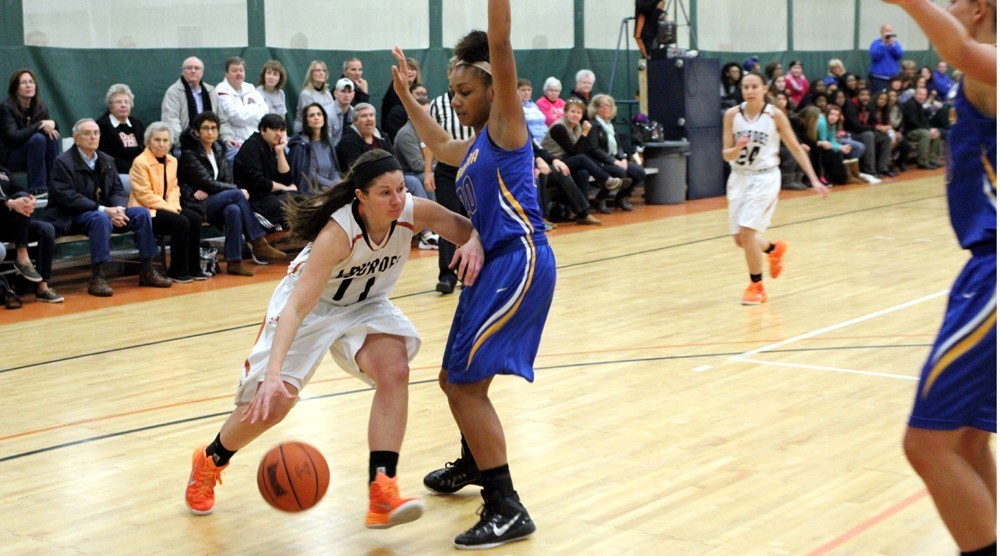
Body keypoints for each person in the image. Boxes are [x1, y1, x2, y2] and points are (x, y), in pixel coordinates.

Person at [183, 149, 485, 531]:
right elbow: (295, 309)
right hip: (311, 306)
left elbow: (469, 227)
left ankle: (382, 489)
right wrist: (273, 373)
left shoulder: (412, 209)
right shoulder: (338, 234)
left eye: (399, 190)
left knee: (395, 371)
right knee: (274, 402)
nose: (397, 200)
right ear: (360, 196)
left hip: (366, 304)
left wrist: (473, 240)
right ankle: (210, 461)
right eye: (385, 193)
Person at [390, 0, 557, 547]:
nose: (456, 101)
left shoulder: (508, 128)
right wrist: (407, 100)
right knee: (453, 380)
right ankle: (473, 463)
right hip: (492, 268)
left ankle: (506, 506)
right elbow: (436, 145)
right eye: (453, 93)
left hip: (519, 259)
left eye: (465, 92)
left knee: (464, 385)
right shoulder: (476, 144)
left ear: (492, 88)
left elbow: (501, 44)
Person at [886, 4, 996, 553]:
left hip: (997, 273)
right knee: (969, 441)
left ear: (977, 9)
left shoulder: (988, 72)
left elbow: (962, 51)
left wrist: (910, 2)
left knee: (927, 445)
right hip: (984, 265)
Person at [721, 72, 828, 305]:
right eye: (745, 87)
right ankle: (773, 249)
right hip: (739, 178)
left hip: (765, 178)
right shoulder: (731, 115)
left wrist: (815, 179)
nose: (749, 91)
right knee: (740, 239)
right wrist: (737, 149)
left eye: (753, 86)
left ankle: (757, 286)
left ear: (764, 89)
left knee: (748, 232)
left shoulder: (775, 115)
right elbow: (725, 153)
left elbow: (796, 148)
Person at [45, 118, 172, 297]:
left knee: (142, 213)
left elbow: (117, 191)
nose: (93, 137)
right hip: (72, 216)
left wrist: (119, 209)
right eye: (87, 133)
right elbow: (68, 197)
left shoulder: (106, 159)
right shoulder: (62, 162)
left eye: (96, 133)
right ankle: (97, 277)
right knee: (100, 218)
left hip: (106, 212)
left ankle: (147, 270)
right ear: (76, 138)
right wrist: (104, 210)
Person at [179, 111, 285, 277]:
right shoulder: (189, 154)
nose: (210, 132)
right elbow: (207, 182)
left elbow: (225, 178)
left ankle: (234, 262)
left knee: (234, 209)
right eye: (205, 128)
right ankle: (258, 242)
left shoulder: (219, 150)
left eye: (213, 128)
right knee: (237, 195)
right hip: (195, 204)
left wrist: (215, 189)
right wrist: (231, 189)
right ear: (197, 132)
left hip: (213, 199)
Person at [128, 122, 207, 283]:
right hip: (146, 211)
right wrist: (169, 208)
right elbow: (144, 194)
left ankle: (194, 268)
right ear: (148, 141)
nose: (161, 144)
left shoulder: (172, 160)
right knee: (181, 222)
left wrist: (174, 207)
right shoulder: (140, 162)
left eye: (165, 140)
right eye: (157, 140)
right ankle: (177, 271)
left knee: (195, 218)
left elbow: (174, 188)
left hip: (167, 207)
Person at [425, 58, 474, 294]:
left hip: (472, 164)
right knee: (448, 219)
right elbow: (431, 141)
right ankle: (447, 274)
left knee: (472, 219)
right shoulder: (437, 104)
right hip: (446, 167)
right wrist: (428, 170)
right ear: (448, 74)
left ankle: (468, 271)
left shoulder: (477, 99)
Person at [0, 164, 61, 302]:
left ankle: (42, 288)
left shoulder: (3, 170)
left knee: (46, 229)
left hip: (12, 224)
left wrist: (29, 198)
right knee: (19, 202)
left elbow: (19, 189)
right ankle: (22, 255)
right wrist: (9, 203)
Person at [0, 69, 60, 195]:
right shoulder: (6, 107)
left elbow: (48, 127)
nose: (28, 85)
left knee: (51, 136)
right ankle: (38, 189)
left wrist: (54, 124)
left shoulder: (39, 106)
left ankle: (56, 185)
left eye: (31, 82)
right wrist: (39, 125)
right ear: (16, 88)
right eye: (23, 82)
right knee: (38, 138)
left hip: (35, 154)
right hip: (10, 158)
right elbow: (13, 137)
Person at [233, 114, 296, 229]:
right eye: (274, 129)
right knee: (284, 205)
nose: (279, 134)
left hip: (271, 196)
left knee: (301, 198)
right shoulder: (251, 146)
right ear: (263, 130)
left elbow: (287, 179)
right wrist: (286, 188)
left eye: (282, 130)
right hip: (254, 200)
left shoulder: (275, 147)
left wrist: (280, 152)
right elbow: (259, 182)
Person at [587, 94, 644, 211]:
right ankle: (600, 199)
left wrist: (622, 158)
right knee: (619, 172)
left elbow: (619, 146)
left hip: (614, 160)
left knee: (638, 172)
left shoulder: (611, 125)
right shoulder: (593, 125)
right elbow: (594, 149)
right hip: (599, 162)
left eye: (608, 106)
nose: (606, 108)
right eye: (602, 106)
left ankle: (621, 198)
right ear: (596, 108)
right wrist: (614, 161)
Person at [215, 56, 269, 164]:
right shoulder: (220, 90)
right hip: (237, 141)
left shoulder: (250, 87)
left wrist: (246, 111)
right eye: (234, 70)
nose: (238, 73)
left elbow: (265, 110)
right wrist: (256, 108)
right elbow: (237, 117)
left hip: (258, 139)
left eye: (241, 70)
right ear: (226, 73)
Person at [96, 83, 145, 193]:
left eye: (126, 102)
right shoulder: (102, 126)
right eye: (118, 102)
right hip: (117, 174)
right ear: (110, 106)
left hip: (141, 171)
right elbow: (105, 157)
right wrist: (133, 170)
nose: (123, 105)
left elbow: (147, 151)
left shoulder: (137, 124)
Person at [161, 57, 219, 148]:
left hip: (211, 142)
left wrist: (226, 138)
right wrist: (182, 141)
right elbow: (170, 120)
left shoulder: (211, 91)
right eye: (189, 68)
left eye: (196, 68)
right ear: (182, 72)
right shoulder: (173, 92)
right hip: (185, 144)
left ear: (202, 72)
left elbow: (222, 119)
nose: (193, 71)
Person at [288, 102, 342, 191]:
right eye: (312, 115)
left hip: (330, 189)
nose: (316, 117)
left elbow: (333, 169)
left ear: (324, 118)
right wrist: (331, 185)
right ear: (306, 120)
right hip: (310, 191)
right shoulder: (300, 145)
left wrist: (338, 182)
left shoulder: (328, 141)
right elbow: (307, 173)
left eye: (319, 114)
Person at [902, 86, 944, 169]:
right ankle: (923, 162)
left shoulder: (919, 105)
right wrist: (928, 130)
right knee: (925, 134)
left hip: (918, 129)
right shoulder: (909, 104)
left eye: (924, 95)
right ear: (915, 94)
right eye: (920, 94)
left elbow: (924, 121)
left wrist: (931, 129)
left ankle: (932, 159)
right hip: (909, 131)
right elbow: (912, 122)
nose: (922, 97)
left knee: (936, 133)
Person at [293, 60, 337, 137]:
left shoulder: (328, 93)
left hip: (325, 130)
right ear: (311, 74)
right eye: (318, 70)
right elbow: (311, 119)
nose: (321, 73)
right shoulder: (306, 94)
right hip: (307, 132)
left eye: (324, 71)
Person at [380, 57, 421, 131]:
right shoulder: (394, 87)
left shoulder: (419, 88)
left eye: (412, 69)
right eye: (407, 69)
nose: (409, 72)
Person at [869, 23, 905, 93]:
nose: (888, 33)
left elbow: (899, 54)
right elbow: (875, 55)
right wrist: (883, 44)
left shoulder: (895, 43)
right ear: (882, 32)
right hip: (879, 78)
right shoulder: (876, 43)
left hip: (893, 79)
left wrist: (892, 45)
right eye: (886, 31)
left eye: (890, 31)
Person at [517, 79, 548, 144]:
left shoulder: (534, 105)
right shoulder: (515, 107)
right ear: (517, 91)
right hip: (533, 141)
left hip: (547, 137)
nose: (526, 92)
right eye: (523, 90)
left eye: (529, 90)